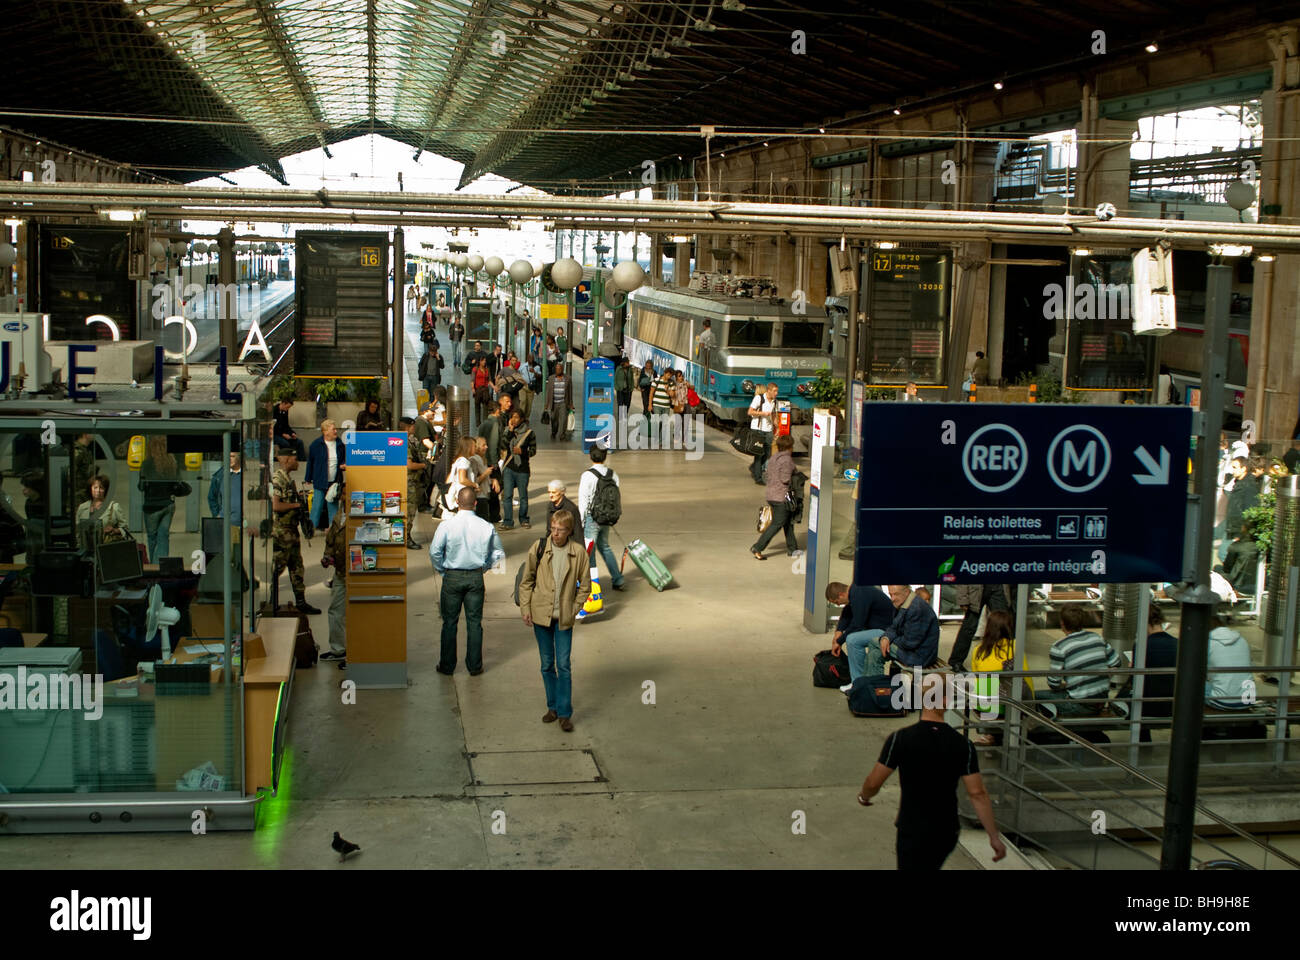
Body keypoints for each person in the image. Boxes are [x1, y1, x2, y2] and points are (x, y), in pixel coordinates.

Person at [857, 671, 1006, 870]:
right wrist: (993, 836)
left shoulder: (901, 739)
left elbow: (874, 782)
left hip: (912, 827)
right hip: (946, 830)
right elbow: (977, 793)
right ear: (946, 702)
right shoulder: (963, 745)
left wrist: (864, 797)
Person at [518, 509, 592, 733]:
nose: (556, 533)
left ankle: (564, 713)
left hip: (563, 619)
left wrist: (573, 609)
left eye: (560, 530)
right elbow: (526, 581)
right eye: (553, 528)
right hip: (541, 615)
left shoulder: (578, 553)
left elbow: (586, 586)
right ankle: (552, 707)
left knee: (564, 666)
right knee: (546, 665)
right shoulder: (539, 548)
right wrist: (526, 608)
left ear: (569, 531)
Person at [429, 487, 505, 676]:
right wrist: (485, 567)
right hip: (475, 578)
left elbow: (435, 551)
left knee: (449, 623)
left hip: (452, 577)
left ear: (456, 501)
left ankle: (447, 666)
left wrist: (442, 570)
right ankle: (474, 666)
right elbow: (498, 553)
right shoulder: (486, 526)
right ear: (475, 503)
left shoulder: (446, 526)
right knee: (474, 622)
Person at [1040, 604, 1125, 719]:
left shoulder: (1059, 647)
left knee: (1032, 696)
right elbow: (1116, 662)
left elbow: (1053, 684)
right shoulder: (1097, 638)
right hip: (1101, 701)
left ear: (1062, 623)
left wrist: (1070, 684)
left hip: (1079, 705)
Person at [270, 447, 320, 615]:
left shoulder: (288, 479)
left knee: (297, 568)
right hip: (282, 532)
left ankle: (301, 602)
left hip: (291, 531)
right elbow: (276, 506)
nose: (297, 462)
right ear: (286, 459)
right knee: (277, 568)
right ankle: (272, 603)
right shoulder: (278, 479)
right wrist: (297, 505)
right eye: (295, 458)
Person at [854, 584, 941, 679]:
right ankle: (870, 687)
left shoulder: (917, 609)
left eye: (896, 594)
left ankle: (872, 687)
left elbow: (910, 643)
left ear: (906, 592)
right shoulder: (903, 603)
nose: (892, 598)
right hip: (909, 650)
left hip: (919, 656)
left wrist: (889, 640)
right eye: (890, 594)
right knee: (875, 654)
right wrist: (886, 638)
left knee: (874, 642)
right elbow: (893, 627)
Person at [826, 581, 895, 683]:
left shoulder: (860, 594)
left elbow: (857, 624)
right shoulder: (855, 589)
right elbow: (847, 612)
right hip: (879, 627)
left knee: (852, 640)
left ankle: (858, 683)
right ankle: (858, 682)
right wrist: (839, 631)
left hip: (887, 631)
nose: (838, 604)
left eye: (837, 602)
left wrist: (839, 641)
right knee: (851, 637)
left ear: (841, 594)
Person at [578, 447, 626, 592]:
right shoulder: (613, 475)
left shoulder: (587, 475)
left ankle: (593, 586)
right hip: (606, 517)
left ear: (590, 457)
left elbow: (583, 500)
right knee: (605, 546)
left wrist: (581, 521)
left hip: (592, 518)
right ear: (605, 457)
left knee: (589, 552)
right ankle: (618, 579)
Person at [750, 434, 799, 559]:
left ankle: (792, 549)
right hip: (781, 497)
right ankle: (758, 547)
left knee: (788, 522)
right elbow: (785, 479)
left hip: (771, 494)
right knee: (777, 524)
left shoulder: (773, 457)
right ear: (790, 447)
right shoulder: (787, 460)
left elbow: (767, 475)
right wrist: (794, 471)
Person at [140, 436, 184, 562]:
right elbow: (177, 483)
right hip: (168, 505)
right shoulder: (172, 463)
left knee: (152, 538)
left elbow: (141, 486)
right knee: (163, 536)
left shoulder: (146, 464)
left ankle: (155, 570)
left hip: (151, 507)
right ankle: (162, 568)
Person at [305, 419, 346, 531]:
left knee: (332, 505)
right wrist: (308, 478)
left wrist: (342, 465)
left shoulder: (339, 444)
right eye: (333, 429)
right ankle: (311, 528)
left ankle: (332, 529)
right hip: (320, 480)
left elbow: (342, 460)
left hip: (334, 481)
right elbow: (311, 462)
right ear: (325, 431)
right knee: (317, 506)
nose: (336, 431)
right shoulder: (316, 445)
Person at [1206, 616, 1255, 710]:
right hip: (1248, 699)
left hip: (1222, 701)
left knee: (1191, 684)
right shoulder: (1242, 640)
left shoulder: (1208, 643)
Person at [320, 506, 348, 666]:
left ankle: (357, 654)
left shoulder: (359, 513)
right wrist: (327, 555)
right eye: (343, 492)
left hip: (354, 572)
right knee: (335, 610)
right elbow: (331, 538)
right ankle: (338, 649)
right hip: (340, 572)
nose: (345, 496)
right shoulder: (339, 514)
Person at [500, 409, 536, 530]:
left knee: (523, 496)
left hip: (523, 469)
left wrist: (523, 452)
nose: (514, 420)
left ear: (521, 419)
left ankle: (523, 519)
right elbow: (503, 445)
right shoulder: (507, 431)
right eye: (512, 417)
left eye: (516, 417)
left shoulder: (529, 433)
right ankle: (508, 521)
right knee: (507, 496)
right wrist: (509, 431)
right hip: (509, 468)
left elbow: (533, 450)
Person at [76, 473, 126, 546]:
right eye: (95, 487)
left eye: (101, 488)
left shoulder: (114, 507)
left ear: (106, 490)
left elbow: (125, 529)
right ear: (90, 489)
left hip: (106, 548)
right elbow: (78, 532)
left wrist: (115, 530)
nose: (98, 491)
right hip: (86, 549)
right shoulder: (82, 508)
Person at [747, 382, 778, 484]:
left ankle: (753, 467)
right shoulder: (759, 398)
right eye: (774, 391)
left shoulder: (774, 401)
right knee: (759, 454)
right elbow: (750, 412)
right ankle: (758, 478)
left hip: (768, 430)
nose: (776, 393)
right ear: (768, 390)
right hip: (758, 429)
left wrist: (776, 426)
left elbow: (773, 414)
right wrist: (762, 413)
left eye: (777, 391)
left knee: (767, 454)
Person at [403, 417, 427, 550]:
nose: (414, 428)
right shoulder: (404, 443)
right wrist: (423, 465)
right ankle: (406, 537)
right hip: (409, 481)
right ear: (407, 427)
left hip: (411, 481)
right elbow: (409, 465)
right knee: (410, 511)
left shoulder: (407, 441)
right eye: (412, 426)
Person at [443, 437, 479, 515]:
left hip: (454, 497)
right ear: (468, 447)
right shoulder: (464, 461)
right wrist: (474, 485)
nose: (476, 448)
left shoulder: (458, 460)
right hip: (460, 498)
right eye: (474, 446)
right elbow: (462, 479)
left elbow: (449, 479)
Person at [208, 451, 243, 528]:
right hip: (227, 524)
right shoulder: (219, 476)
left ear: (240, 457)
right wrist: (217, 515)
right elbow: (212, 497)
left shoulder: (246, 475)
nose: (229, 459)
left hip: (245, 525)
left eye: (232, 456)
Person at [469, 435, 497, 521]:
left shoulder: (482, 459)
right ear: (477, 447)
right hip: (479, 497)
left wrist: (493, 480)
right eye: (483, 445)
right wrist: (485, 474)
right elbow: (473, 481)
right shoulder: (473, 460)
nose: (486, 447)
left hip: (483, 496)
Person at [71, 433, 97, 509]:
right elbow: (70, 474)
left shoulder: (85, 451)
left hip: (84, 493)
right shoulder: (77, 451)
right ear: (85, 434)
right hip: (77, 495)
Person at [548, 365, 572, 441]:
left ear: (562, 369)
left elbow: (570, 392)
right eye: (557, 369)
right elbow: (549, 392)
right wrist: (547, 403)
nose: (558, 370)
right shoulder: (551, 378)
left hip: (563, 403)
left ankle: (562, 434)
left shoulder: (568, 378)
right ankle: (554, 432)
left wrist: (571, 403)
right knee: (554, 419)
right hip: (553, 402)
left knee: (564, 419)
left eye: (559, 369)